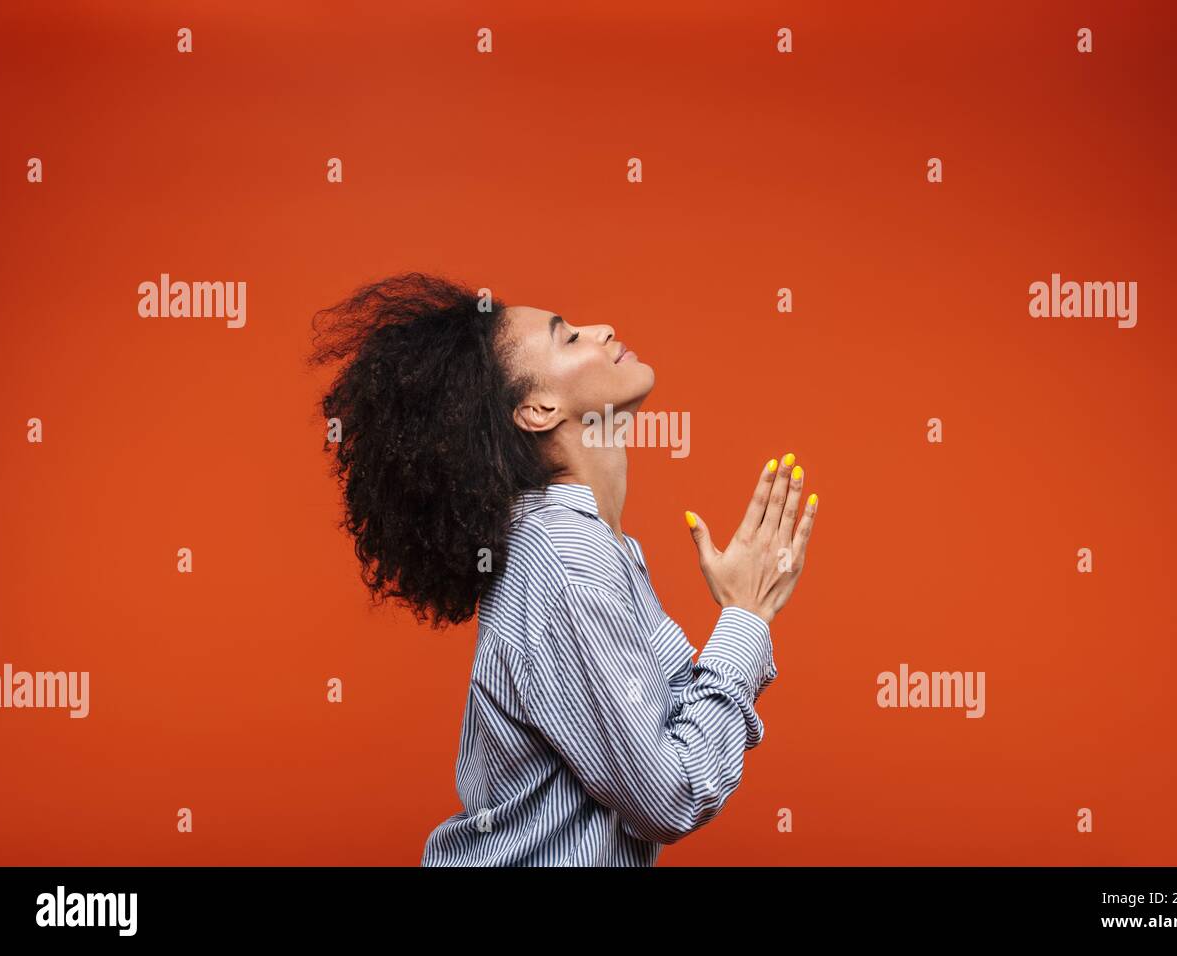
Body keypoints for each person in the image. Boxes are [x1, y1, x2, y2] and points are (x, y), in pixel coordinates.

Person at [308, 273, 819, 865]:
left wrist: (740, 615)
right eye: (569, 338)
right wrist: (745, 620)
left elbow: (673, 725)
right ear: (537, 408)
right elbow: (670, 796)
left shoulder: (591, 545)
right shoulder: (565, 558)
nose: (602, 329)